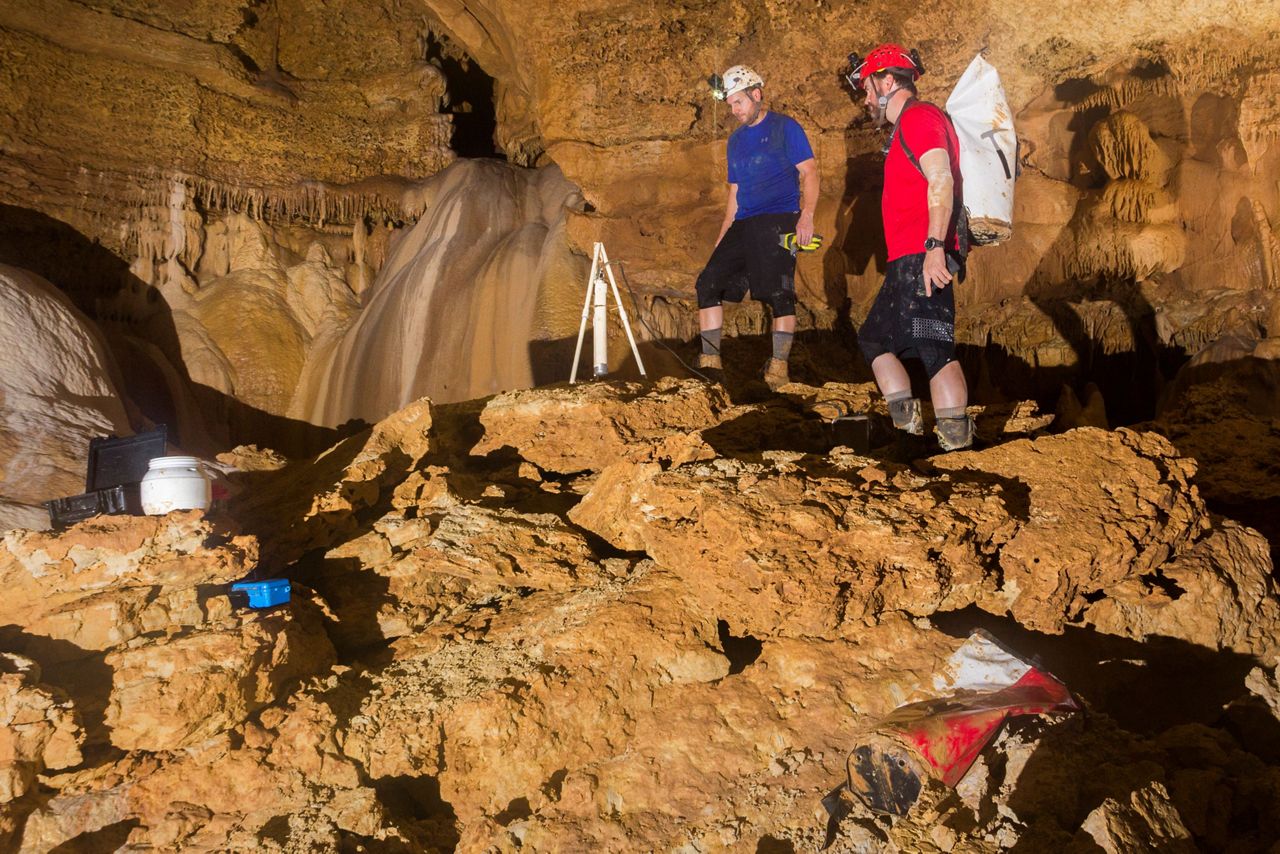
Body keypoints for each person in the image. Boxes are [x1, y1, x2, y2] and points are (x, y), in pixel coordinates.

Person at [849, 44, 975, 451]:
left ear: (887, 82)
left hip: (923, 253)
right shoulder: (907, 125)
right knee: (874, 340)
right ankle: (907, 432)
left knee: (934, 345)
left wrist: (935, 246)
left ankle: (957, 446)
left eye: (868, 88)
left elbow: (941, 179)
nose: (866, 98)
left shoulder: (920, 117)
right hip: (906, 258)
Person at [695, 65, 819, 390]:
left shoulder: (785, 128)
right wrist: (723, 238)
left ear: (757, 95)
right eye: (731, 105)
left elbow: (810, 173)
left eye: (739, 102)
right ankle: (710, 365)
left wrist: (806, 216)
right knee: (707, 282)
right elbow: (734, 194)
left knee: (779, 292)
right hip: (745, 221)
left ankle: (778, 367)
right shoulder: (735, 142)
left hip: (779, 217)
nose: (734, 111)